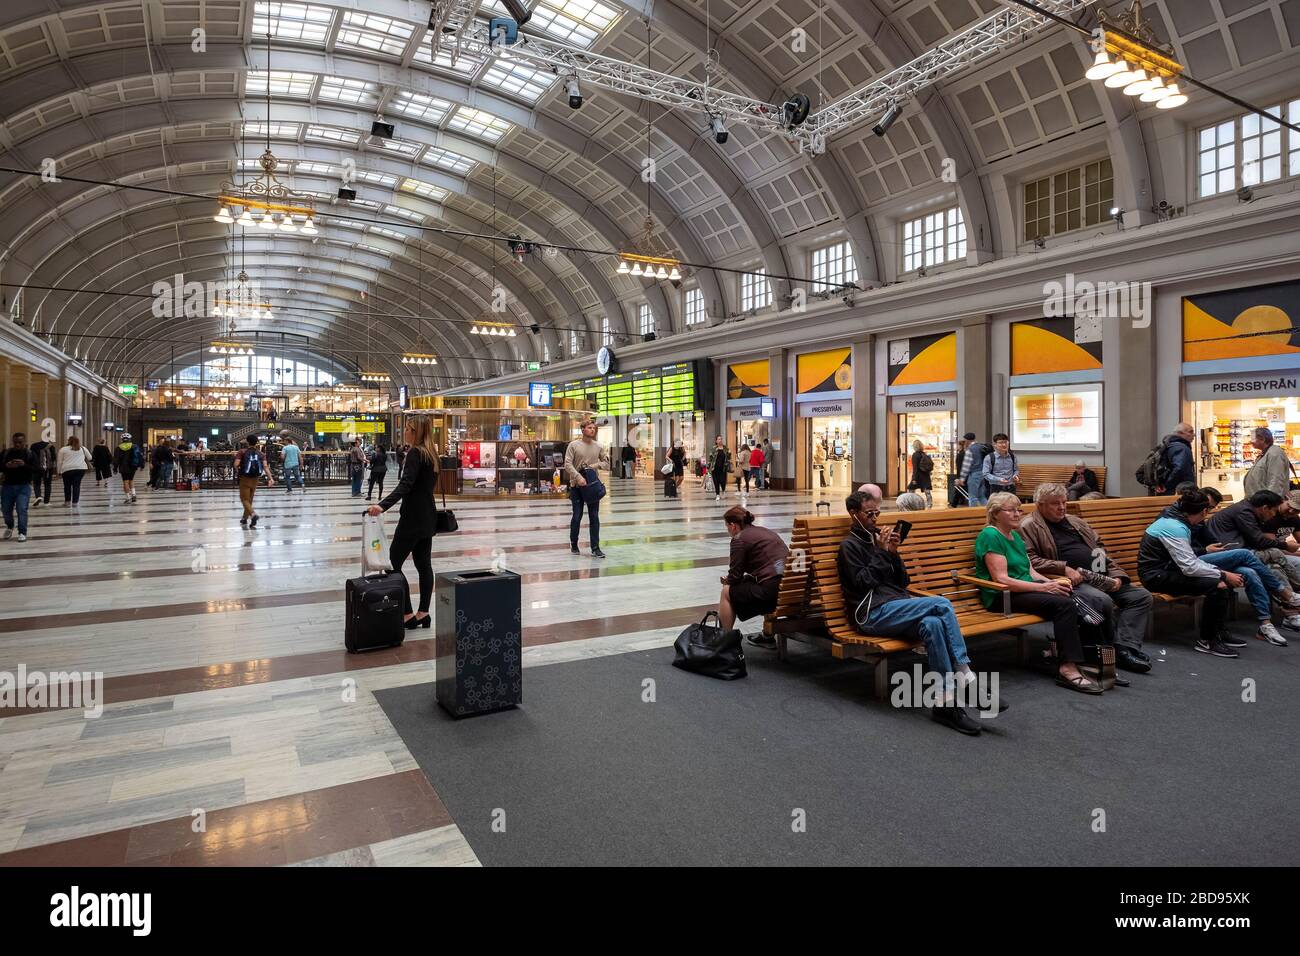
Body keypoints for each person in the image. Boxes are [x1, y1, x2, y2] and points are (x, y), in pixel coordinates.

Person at [838, 491, 995, 734]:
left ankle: (945, 703)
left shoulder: (879, 540)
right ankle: (966, 676)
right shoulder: (849, 546)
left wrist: (893, 552)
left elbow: (902, 582)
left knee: (932, 624)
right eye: (869, 514)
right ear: (853, 513)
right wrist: (881, 553)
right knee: (941, 604)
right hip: (871, 613)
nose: (875, 518)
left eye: (877, 513)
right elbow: (862, 583)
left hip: (895, 607)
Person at [975, 492, 1107, 694]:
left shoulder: (1015, 536)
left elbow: (1030, 572)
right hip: (1002, 596)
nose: (1017, 514)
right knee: (1064, 605)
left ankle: (1095, 660)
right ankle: (1067, 667)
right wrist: (1045, 587)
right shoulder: (990, 535)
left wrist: (1055, 582)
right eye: (1011, 510)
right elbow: (1002, 579)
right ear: (995, 513)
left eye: (1018, 509)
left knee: (1077, 596)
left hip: (1025, 590)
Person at [1020, 483, 1154, 673]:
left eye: (1064, 502)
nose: (1062, 507)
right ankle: (1107, 652)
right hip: (1071, 581)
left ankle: (1125, 648)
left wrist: (1116, 576)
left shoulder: (1075, 521)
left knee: (1140, 597)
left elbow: (1099, 548)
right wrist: (1064, 569)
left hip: (1099, 575)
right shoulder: (1029, 526)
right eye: (1055, 504)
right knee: (1102, 600)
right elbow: (1031, 560)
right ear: (1040, 505)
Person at [1138, 489, 1276, 657]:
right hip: (1156, 576)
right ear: (1204, 511)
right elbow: (1190, 567)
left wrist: (1220, 572)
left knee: (1221, 582)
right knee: (1218, 585)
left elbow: (1189, 563)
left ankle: (1218, 632)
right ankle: (1207, 640)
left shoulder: (1177, 520)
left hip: (1168, 570)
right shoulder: (1175, 527)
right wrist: (1223, 574)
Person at [367, 419, 440, 629]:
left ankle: (407, 613)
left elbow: (406, 484)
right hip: (428, 517)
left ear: (416, 432)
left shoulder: (416, 453)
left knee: (392, 564)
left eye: (407, 429)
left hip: (412, 518)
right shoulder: (432, 454)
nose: (405, 433)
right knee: (424, 565)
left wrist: (383, 505)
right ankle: (423, 612)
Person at [718, 506, 789, 647]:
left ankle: (724, 642)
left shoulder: (739, 539)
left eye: (727, 527)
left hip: (772, 594)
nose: (727, 530)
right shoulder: (766, 532)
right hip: (789, 588)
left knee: (727, 591)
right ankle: (767, 637)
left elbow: (735, 577)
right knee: (759, 582)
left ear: (733, 526)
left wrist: (727, 581)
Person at [564, 418, 609, 558]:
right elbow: (567, 464)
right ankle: (574, 543)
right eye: (589, 428)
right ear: (583, 429)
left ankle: (595, 548)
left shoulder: (599, 446)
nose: (592, 430)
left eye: (594, 428)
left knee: (594, 517)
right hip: (577, 487)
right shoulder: (574, 445)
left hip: (592, 487)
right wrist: (578, 477)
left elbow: (606, 463)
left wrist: (594, 466)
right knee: (576, 516)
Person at [234, 436, 273, 528]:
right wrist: (270, 478)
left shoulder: (242, 452)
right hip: (255, 478)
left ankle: (253, 514)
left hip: (245, 478)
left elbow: (236, 464)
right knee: (249, 499)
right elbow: (265, 467)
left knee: (244, 499)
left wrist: (238, 471)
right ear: (257, 443)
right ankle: (244, 519)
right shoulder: (261, 454)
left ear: (247, 442)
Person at [2, 433, 35, 542]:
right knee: (6, 510)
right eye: (15, 442)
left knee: (22, 509)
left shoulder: (29, 454)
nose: (17, 444)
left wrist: (23, 465)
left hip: (23, 486)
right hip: (7, 486)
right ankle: (10, 526)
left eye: (20, 442)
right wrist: (6, 466)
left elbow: (37, 469)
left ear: (24, 442)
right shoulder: (6, 453)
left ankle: (22, 532)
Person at [1243, 426, 1289, 498]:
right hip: (1258, 503)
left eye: (1253, 439)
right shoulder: (1265, 453)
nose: (1250, 441)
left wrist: (1269, 503)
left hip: (1265, 505)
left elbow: (1275, 481)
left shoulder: (1275, 453)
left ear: (1262, 439)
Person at [1151, 423, 1196, 494]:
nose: (1194, 435)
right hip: (1179, 490)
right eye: (1190, 432)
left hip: (1169, 489)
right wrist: (1167, 485)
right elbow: (1179, 468)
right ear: (1180, 433)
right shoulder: (1181, 448)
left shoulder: (1170, 445)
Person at [56, 436, 92, 509]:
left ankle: (67, 502)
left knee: (67, 486)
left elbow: (59, 461)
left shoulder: (63, 449)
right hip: (80, 469)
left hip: (67, 469)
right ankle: (75, 502)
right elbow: (90, 458)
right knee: (76, 485)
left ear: (69, 441)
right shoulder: (83, 448)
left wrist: (58, 471)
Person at [113, 432, 141, 502]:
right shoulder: (134, 446)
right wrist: (141, 465)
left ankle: (128, 497)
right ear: (129, 439)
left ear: (122, 439)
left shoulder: (118, 448)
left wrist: (115, 468)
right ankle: (134, 494)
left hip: (123, 467)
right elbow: (139, 456)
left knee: (125, 482)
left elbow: (116, 459)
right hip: (132, 466)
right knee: (131, 480)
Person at [907, 439, 933, 508]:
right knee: (927, 491)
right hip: (925, 476)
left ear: (915, 446)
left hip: (918, 476)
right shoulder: (924, 454)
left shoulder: (915, 455)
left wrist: (914, 479)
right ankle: (929, 504)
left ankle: (912, 503)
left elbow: (915, 468)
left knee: (911, 490)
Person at [28, 436, 54, 508]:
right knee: (47, 484)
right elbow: (53, 458)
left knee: (36, 484)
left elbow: (30, 456)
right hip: (47, 469)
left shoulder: (33, 446)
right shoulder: (50, 446)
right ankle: (46, 502)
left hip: (36, 468)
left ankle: (38, 496)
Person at [707, 436, 730, 502]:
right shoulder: (713, 449)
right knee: (716, 482)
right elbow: (710, 458)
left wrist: (729, 455)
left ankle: (723, 490)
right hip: (715, 468)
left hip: (723, 468)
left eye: (721, 439)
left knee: (723, 481)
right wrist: (708, 467)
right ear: (716, 441)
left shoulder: (725, 448)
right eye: (719, 439)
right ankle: (717, 495)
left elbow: (728, 457)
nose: (720, 440)